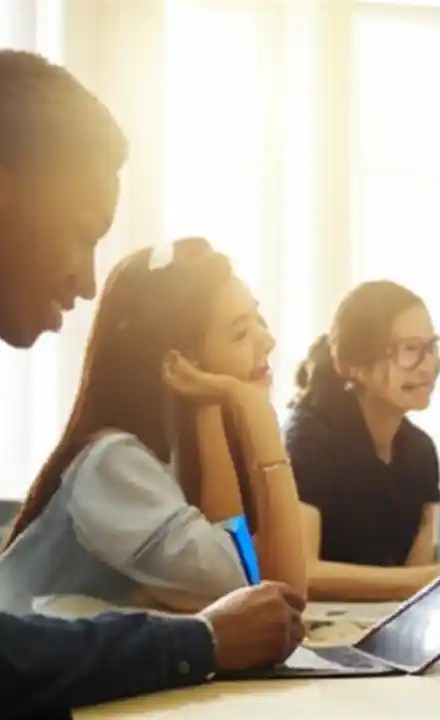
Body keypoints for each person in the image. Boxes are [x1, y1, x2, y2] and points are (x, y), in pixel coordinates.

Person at [0, 50, 301, 716]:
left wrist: (217, 420)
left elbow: (253, 567)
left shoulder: (161, 461)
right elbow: (258, 579)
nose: (86, 280)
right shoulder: (113, 464)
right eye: (83, 235)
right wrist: (250, 410)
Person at [0, 236, 308, 613]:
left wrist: (208, 406)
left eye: (258, 320)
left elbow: (242, 559)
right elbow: (265, 592)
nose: (268, 341)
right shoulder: (114, 465)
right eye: (240, 332)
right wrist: (255, 410)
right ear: (179, 361)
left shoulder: (181, 453)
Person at [286, 280, 440, 601]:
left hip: (383, 625)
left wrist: (426, 580)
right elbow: (302, 571)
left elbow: (416, 574)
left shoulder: (421, 451)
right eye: (410, 350)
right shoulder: (308, 441)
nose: (429, 365)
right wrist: (429, 579)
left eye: (431, 347)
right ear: (355, 366)